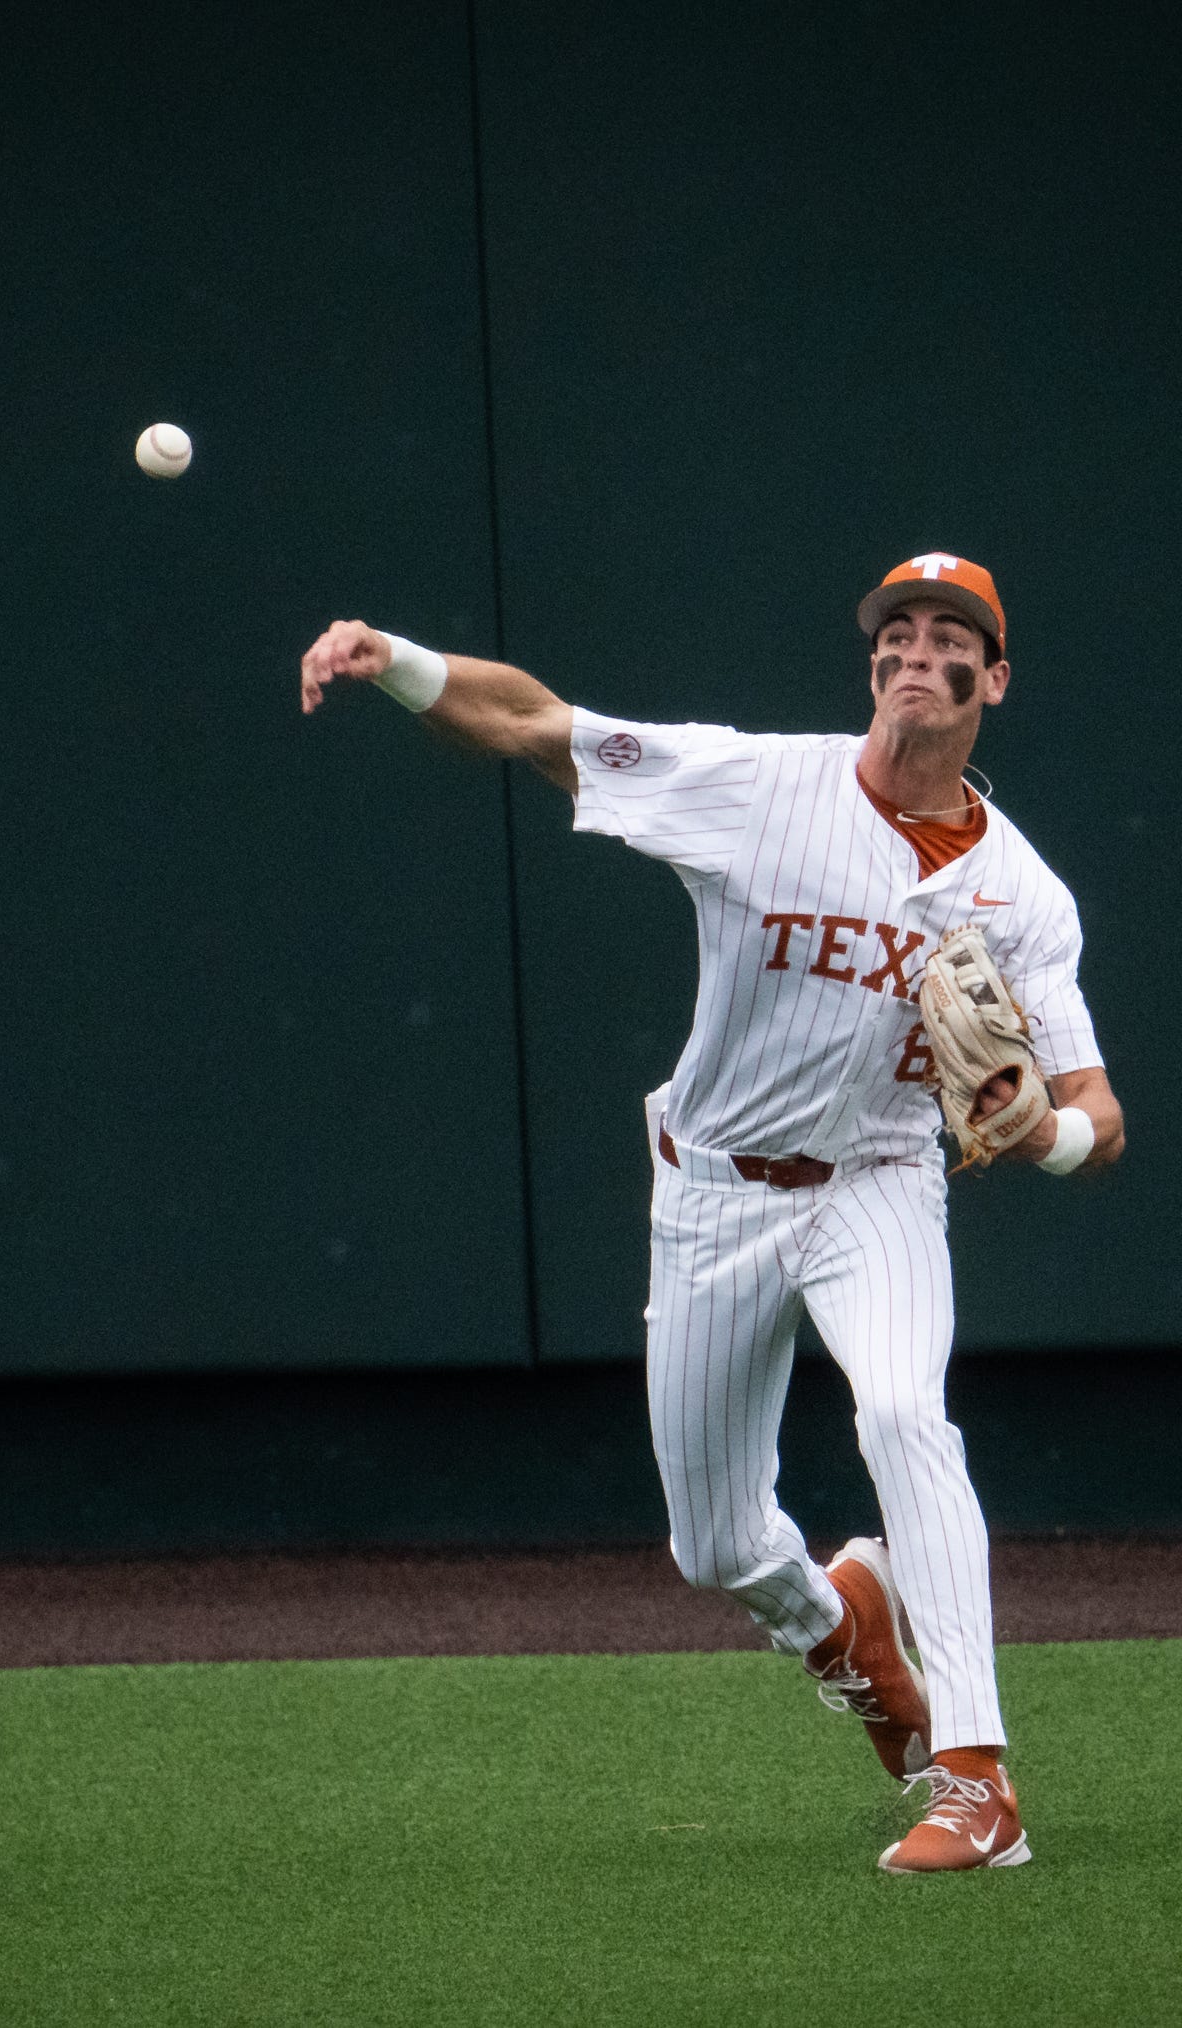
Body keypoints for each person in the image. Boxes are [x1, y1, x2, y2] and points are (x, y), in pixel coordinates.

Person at [297, 552, 1124, 1873]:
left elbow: (1097, 1116)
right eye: (896, 631)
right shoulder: (761, 789)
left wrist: (1050, 1135)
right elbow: (531, 723)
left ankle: (976, 1778)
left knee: (907, 1411)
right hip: (714, 1191)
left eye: (949, 635)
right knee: (714, 1544)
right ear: (871, 665)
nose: (917, 648)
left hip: (879, 1182)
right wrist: (390, 657)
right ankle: (835, 1621)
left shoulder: (1023, 896)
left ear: (995, 679)